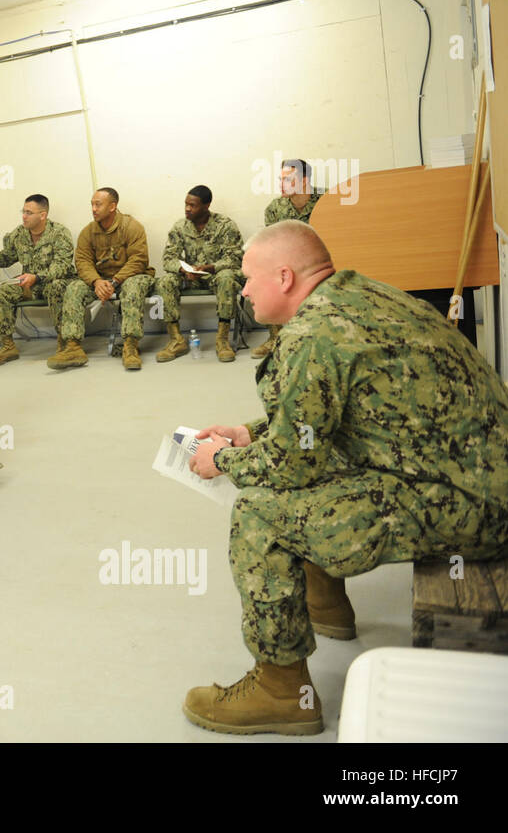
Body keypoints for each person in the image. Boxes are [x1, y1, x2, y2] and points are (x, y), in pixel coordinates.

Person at [185, 221, 508, 736]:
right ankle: (325, 603)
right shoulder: (357, 296)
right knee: (311, 466)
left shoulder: (314, 337)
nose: (243, 290)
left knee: (259, 513)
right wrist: (249, 433)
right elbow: (331, 419)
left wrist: (220, 461)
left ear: (285, 277)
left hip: (470, 502)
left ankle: (283, 691)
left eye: (249, 279)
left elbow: (292, 464)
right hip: (472, 474)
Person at [58, 187, 154, 370]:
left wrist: (115, 281)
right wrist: (96, 281)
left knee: (134, 286)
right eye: (92, 204)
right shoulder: (88, 232)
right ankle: (72, 347)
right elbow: (82, 260)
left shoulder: (132, 226)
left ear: (112, 206)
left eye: (98, 204)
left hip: (129, 278)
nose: (93, 209)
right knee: (74, 287)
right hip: (101, 280)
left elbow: (138, 260)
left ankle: (130, 347)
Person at [0, 195, 77, 368]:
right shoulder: (19, 234)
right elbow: (8, 257)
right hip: (28, 285)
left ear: (43, 215)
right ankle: (8, 345)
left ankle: (65, 342)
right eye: (23, 211)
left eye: (29, 213)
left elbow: (62, 266)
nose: (24, 216)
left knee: (58, 286)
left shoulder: (59, 233)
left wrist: (37, 277)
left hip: (52, 282)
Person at [153, 185, 245, 363]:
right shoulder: (180, 227)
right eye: (186, 204)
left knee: (227, 277)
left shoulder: (225, 225)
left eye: (193, 205)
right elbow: (168, 258)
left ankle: (222, 340)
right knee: (166, 281)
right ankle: (176, 340)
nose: (188, 209)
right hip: (191, 277)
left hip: (215, 275)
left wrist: (211, 267)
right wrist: (183, 269)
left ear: (206, 206)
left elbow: (235, 258)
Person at [251, 159, 321, 359]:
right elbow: (273, 245)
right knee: (265, 276)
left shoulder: (325, 201)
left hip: (322, 264)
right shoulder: (275, 208)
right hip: (289, 265)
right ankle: (276, 337)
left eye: (288, 180)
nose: (281, 185)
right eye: (280, 180)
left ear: (305, 181)